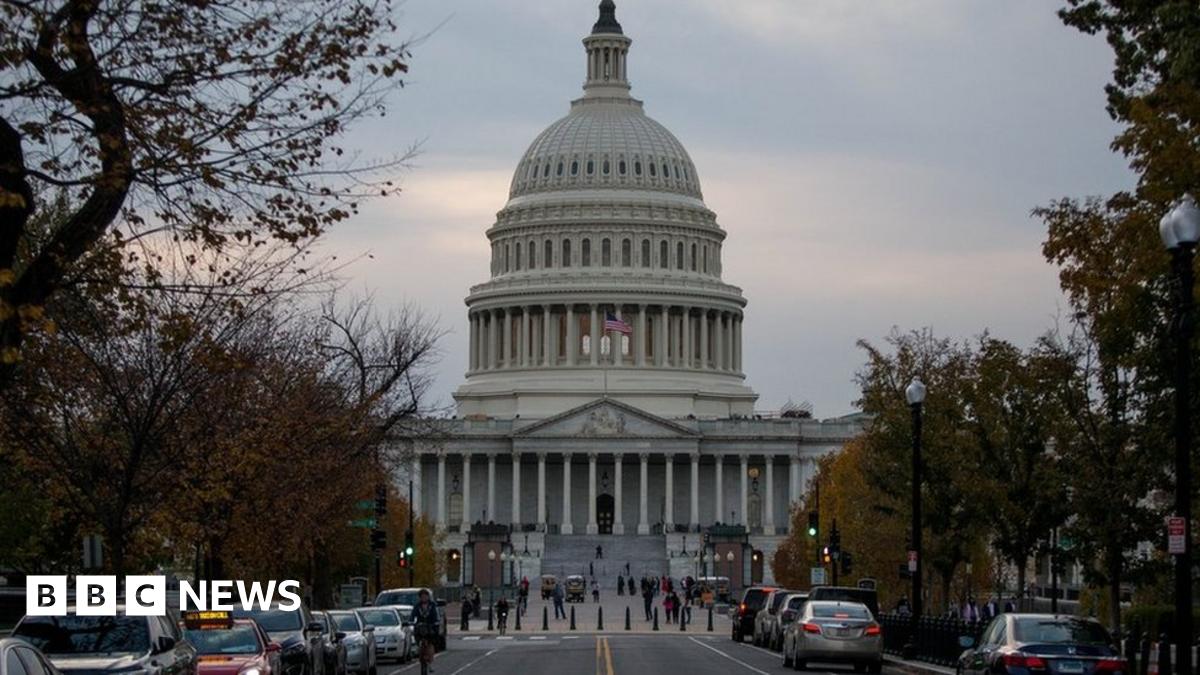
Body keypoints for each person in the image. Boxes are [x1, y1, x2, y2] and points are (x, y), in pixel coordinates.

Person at [412, 589, 440, 675]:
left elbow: (436, 616)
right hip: (420, 628)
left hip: (430, 627)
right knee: (417, 636)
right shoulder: (417, 606)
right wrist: (412, 622)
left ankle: (430, 661)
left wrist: (435, 622)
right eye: (422, 596)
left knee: (431, 642)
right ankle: (418, 648)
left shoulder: (433, 605)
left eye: (425, 596)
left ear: (428, 597)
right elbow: (413, 616)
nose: (424, 598)